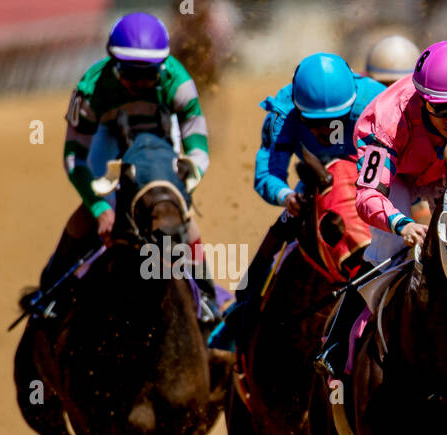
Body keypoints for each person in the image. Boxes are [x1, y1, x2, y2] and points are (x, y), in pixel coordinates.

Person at [315, 40, 447, 379]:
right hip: (401, 176)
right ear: (421, 99)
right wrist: (401, 223)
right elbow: (368, 195)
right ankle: (338, 340)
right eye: (441, 109)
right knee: (385, 249)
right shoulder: (385, 117)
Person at [44, 11, 219, 324]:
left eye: (149, 74)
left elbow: (198, 151)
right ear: (112, 62)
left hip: (160, 142)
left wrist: (178, 190)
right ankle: (51, 290)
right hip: (108, 143)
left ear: (163, 66)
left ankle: (206, 297)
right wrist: (100, 209)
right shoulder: (89, 91)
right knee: (85, 219)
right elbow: (75, 158)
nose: (140, 82)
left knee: (181, 220)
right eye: (130, 72)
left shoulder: (179, 84)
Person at [207, 52, 384, 351]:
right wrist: (286, 196)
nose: (328, 130)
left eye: (337, 120)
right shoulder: (282, 114)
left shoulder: (376, 102)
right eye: (317, 124)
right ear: (299, 112)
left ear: (351, 102)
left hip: (371, 189)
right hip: (310, 192)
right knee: (270, 250)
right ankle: (241, 317)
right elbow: (266, 174)